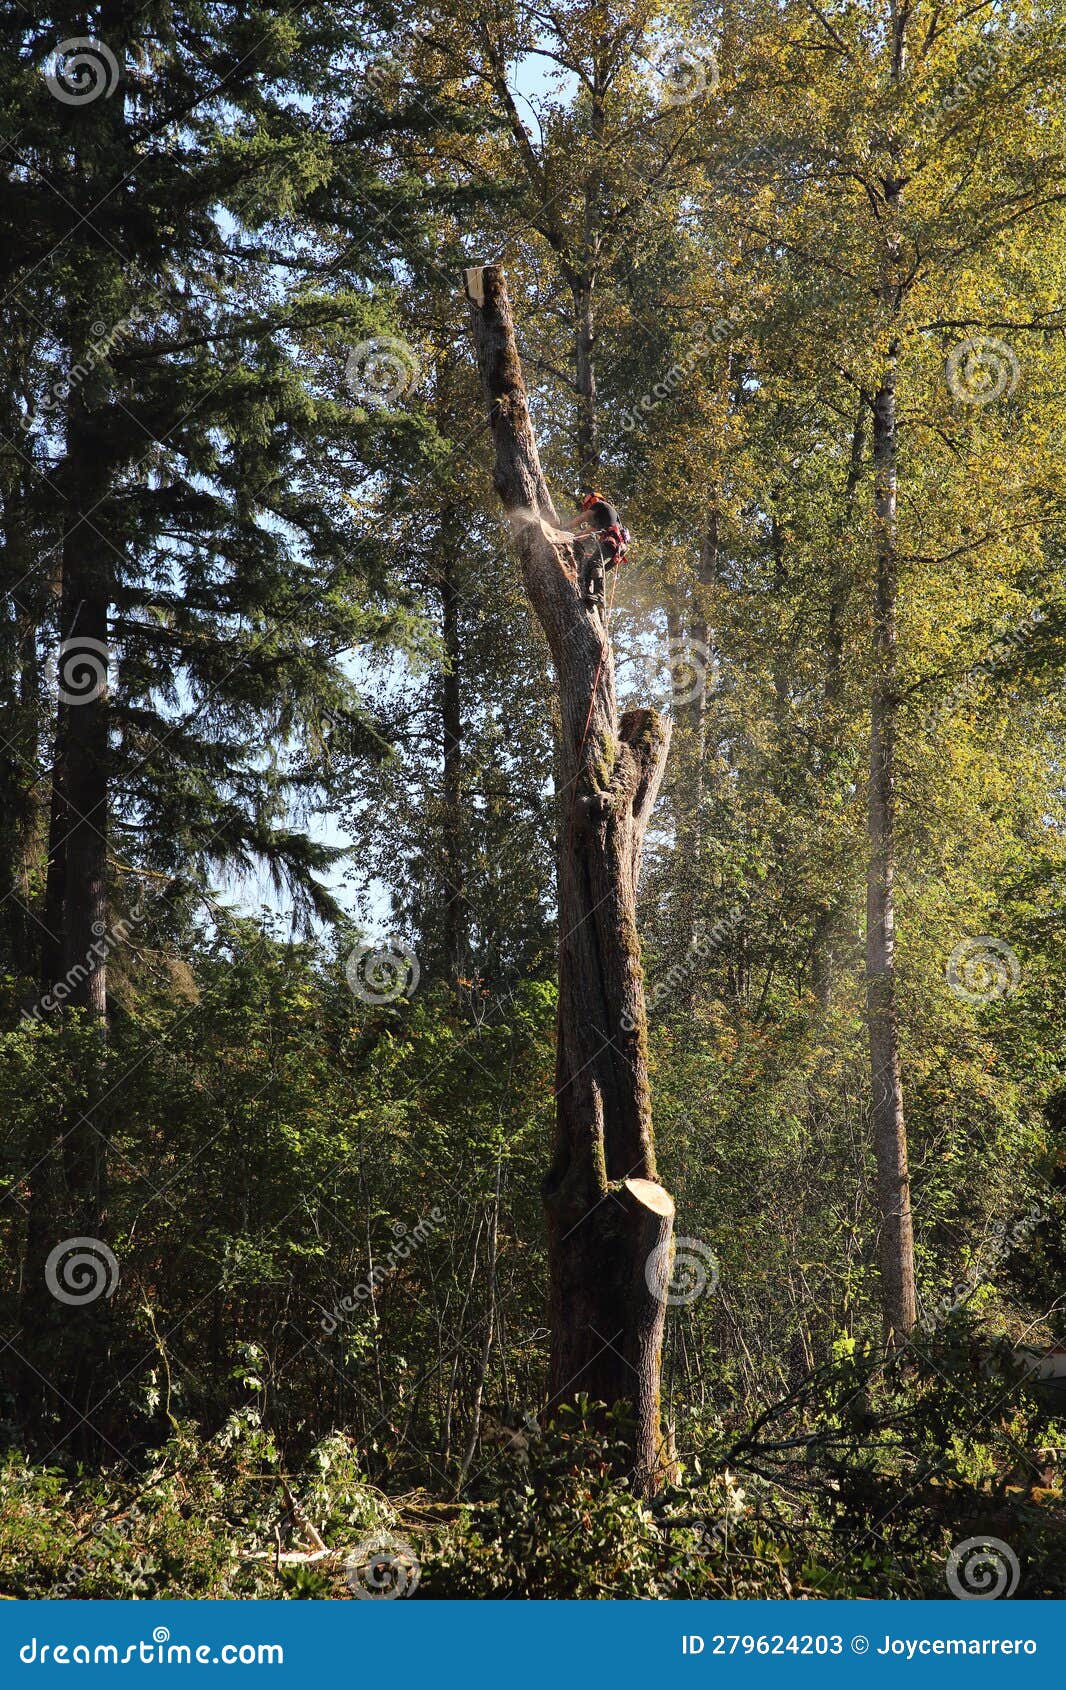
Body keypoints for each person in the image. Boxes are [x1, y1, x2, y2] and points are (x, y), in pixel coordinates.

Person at [570, 491, 630, 604]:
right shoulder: (603, 520)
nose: (589, 508)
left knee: (595, 563)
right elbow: (585, 533)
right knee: (589, 566)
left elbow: (582, 518)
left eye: (589, 506)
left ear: (593, 501)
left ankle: (600, 595)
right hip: (619, 547)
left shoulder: (600, 504)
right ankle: (590, 594)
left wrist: (565, 527)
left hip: (613, 542)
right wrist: (572, 538)